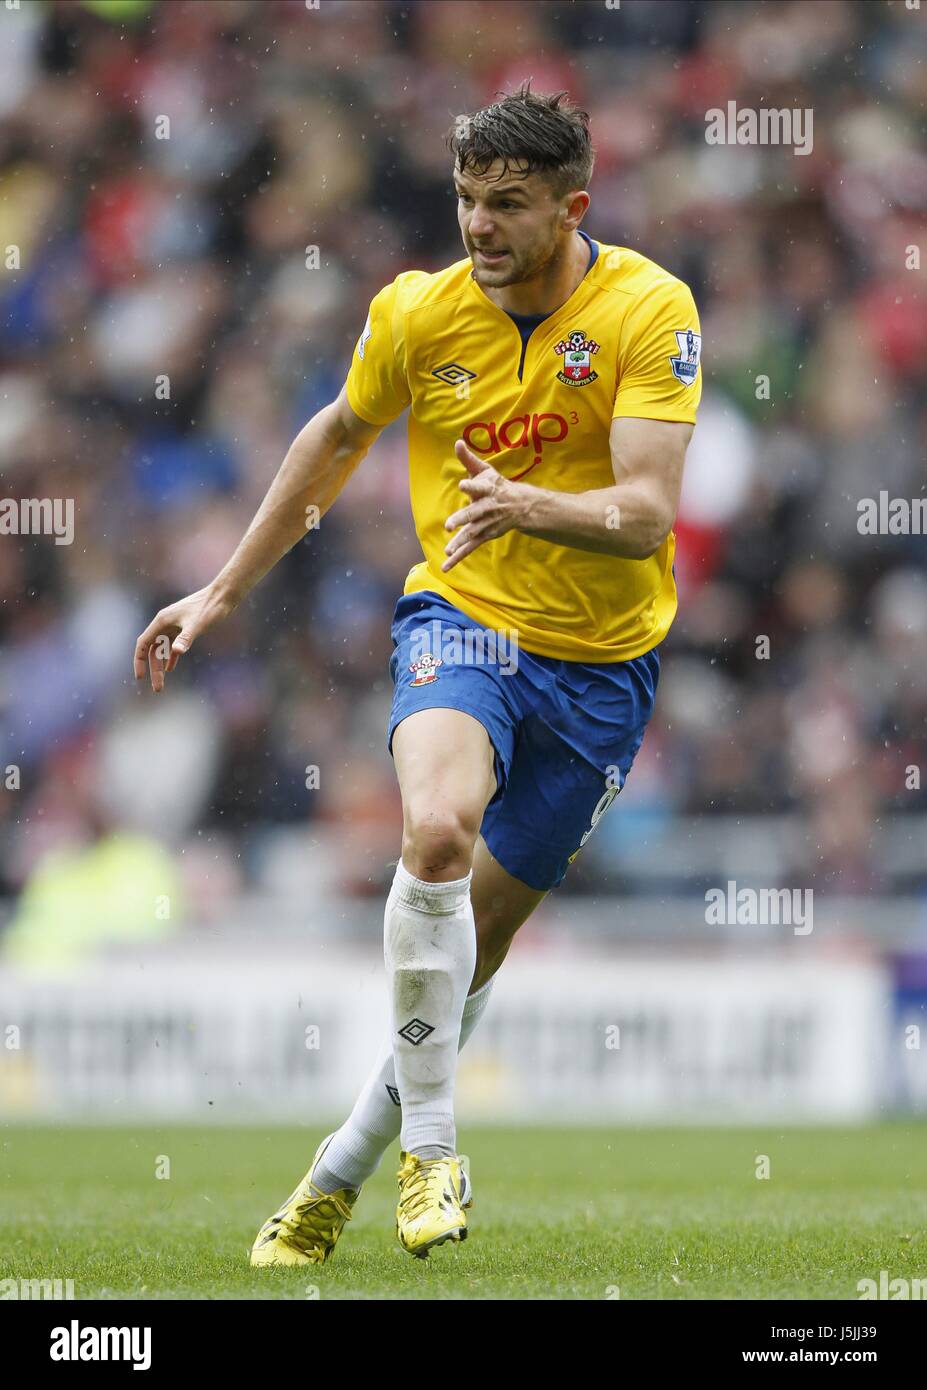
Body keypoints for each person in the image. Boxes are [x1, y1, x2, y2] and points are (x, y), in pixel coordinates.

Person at [133, 82, 701, 1263]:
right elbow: (337, 434)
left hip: (603, 671)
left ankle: (337, 1169)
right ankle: (436, 1147)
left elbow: (648, 515)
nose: (479, 226)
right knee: (436, 829)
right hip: (465, 621)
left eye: (507, 204)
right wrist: (224, 590)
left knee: (466, 961)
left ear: (572, 205)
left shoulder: (650, 308)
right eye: (464, 199)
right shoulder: (419, 313)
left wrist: (527, 502)